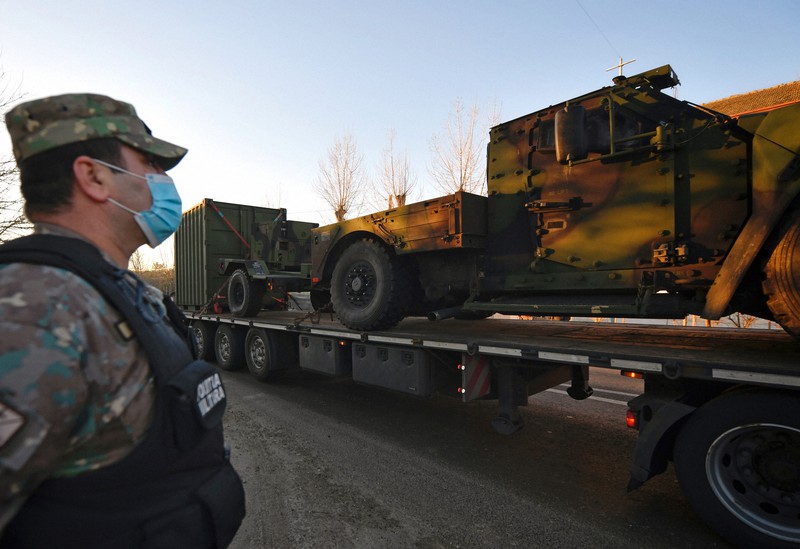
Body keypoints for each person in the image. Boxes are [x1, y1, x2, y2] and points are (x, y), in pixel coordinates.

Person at [0, 94, 245, 548]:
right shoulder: (36, 310)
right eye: (150, 163)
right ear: (94, 176)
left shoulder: (113, 290)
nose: (165, 180)